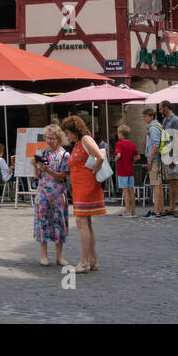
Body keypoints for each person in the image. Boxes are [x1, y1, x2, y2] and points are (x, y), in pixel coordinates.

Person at [60, 114, 106, 272]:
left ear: (74, 130)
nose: (67, 136)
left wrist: (94, 171)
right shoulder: (80, 142)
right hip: (81, 186)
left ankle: (84, 262)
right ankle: (93, 261)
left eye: (67, 133)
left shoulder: (85, 139)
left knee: (81, 223)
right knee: (86, 223)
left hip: (86, 186)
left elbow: (100, 156)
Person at [32, 124, 71, 267]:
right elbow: (38, 176)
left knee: (58, 223)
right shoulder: (44, 153)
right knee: (43, 221)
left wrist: (47, 170)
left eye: (52, 138)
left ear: (59, 138)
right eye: (47, 138)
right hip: (42, 192)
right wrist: (35, 167)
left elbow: (62, 177)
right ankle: (44, 255)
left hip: (57, 193)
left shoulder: (65, 155)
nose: (49, 141)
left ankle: (59, 257)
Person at [158, 101, 178, 217]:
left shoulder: (176, 120)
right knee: (170, 181)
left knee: (176, 180)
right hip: (165, 154)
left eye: (160, 109)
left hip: (173, 155)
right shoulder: (165, 121)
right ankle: (171, 206)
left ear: (166, 108)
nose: (159, 111)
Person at [142, 107, 168, 218]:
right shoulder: (159, 125)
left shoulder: (153, 128)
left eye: (145, 116)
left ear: (151, 116)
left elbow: (155, 145)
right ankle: (161, 209)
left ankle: (156, 210)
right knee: (159, 185)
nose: (143, 119)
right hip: (159, 158)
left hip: (155, 159)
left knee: (156, 185)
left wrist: (149, 160)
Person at [113, 124, 139, 217]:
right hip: (130, 170)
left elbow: (119, 155)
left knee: (125, 191)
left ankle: (127, 211)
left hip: (122, 170)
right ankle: (133, 211)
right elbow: (138, 156)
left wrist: (115, 159)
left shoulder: (119, 144)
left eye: (118, 133)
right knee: (131, 190)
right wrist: (131, 160)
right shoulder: (132, 144)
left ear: (121, 134)